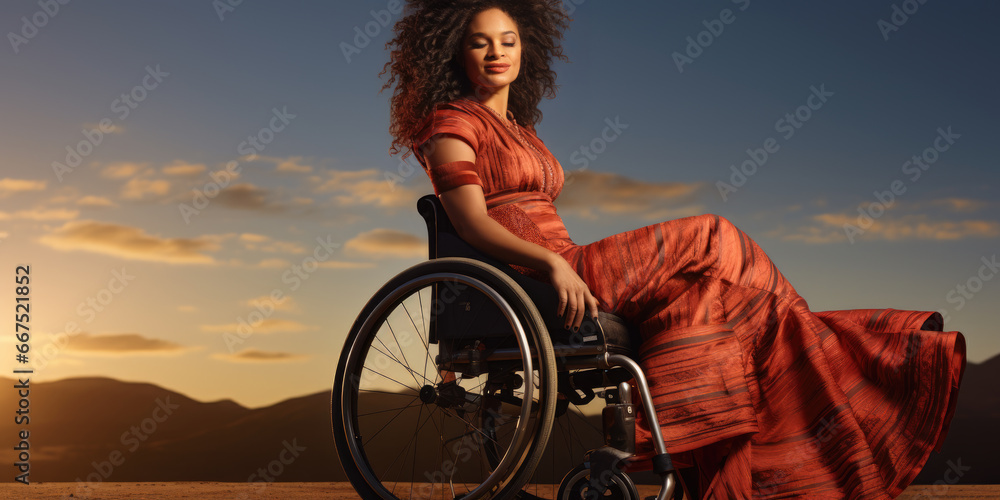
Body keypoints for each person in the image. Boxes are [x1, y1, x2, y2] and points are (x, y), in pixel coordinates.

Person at [381, 1, 967, 498]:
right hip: (534, 274)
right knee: (712, 233)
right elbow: (470, 224)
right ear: (454, 52)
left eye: (507, 40)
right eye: (479, 42)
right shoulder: (450, 123)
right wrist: (552, 262)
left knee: (708, 301)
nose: (496, 52)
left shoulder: (521, 130)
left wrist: (559, 256)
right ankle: (825, 343)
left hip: (565, 260)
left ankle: (735, 467)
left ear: (524, 48)